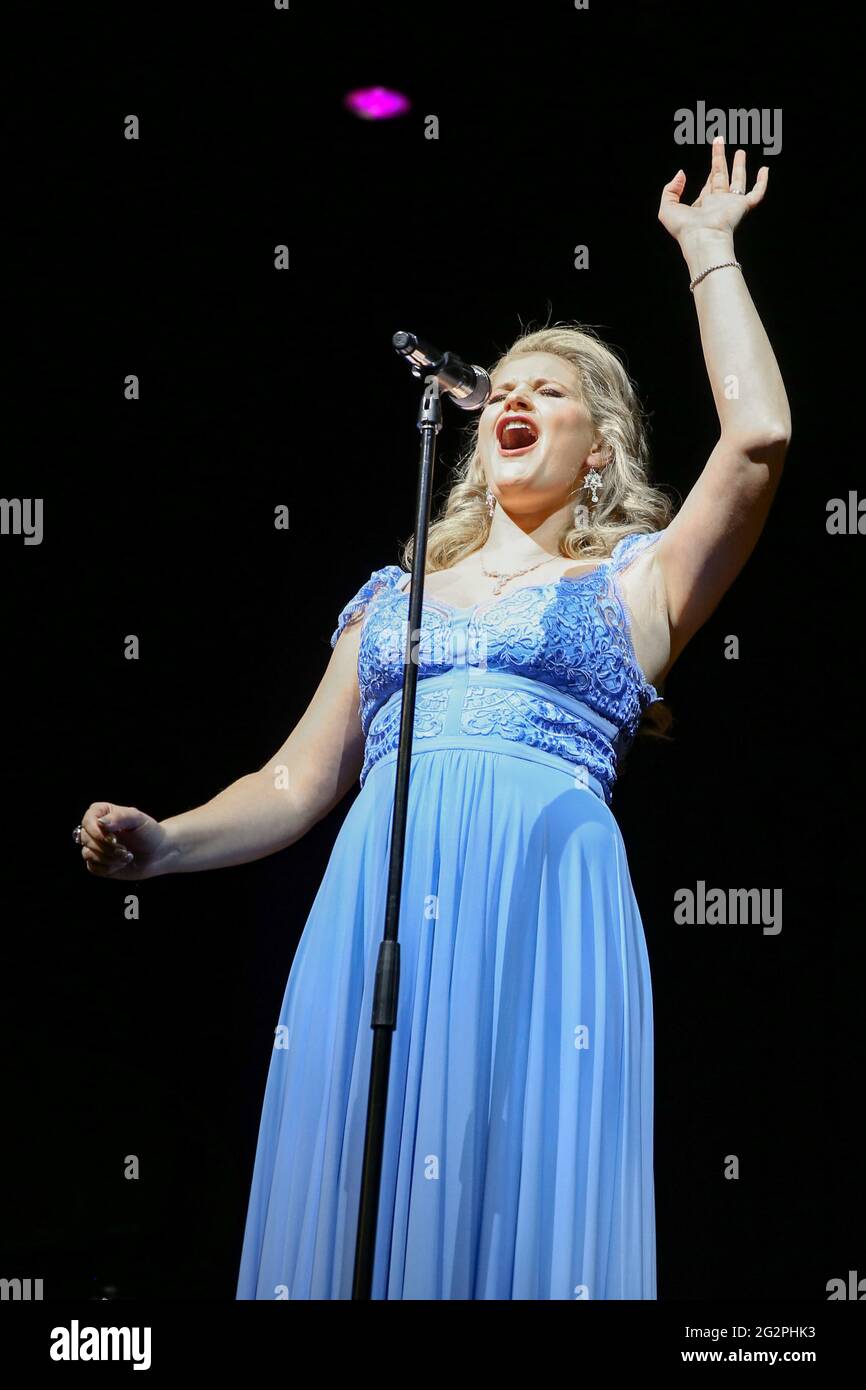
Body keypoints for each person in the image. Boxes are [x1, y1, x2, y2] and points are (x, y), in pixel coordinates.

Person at [73, 138, 790, 1299]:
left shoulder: (634, 585)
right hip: (383, 902)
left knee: (518, 1185)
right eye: (499, 385)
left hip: (540, 904)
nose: (511, 396)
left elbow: (757, 439)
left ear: (597, 446)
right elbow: (295, 785)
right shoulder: (390, 596)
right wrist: (168, 841)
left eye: (546, 389)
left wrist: (706, 252)